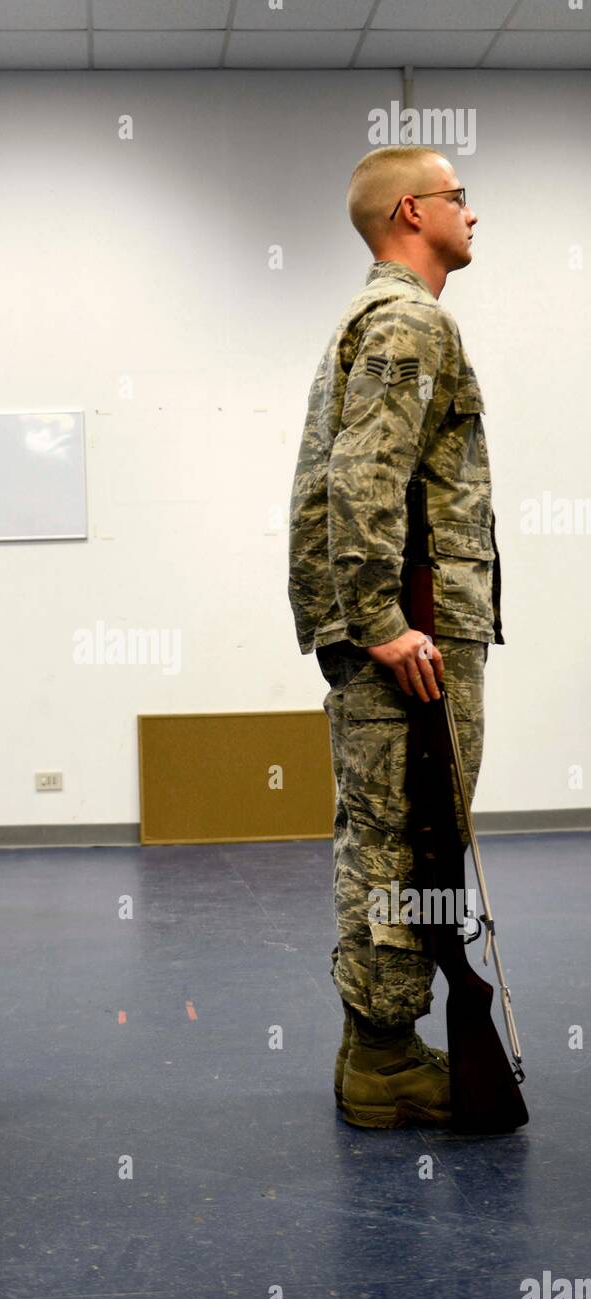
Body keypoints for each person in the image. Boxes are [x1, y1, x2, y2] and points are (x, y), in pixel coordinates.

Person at [288, 145, 503, 1129]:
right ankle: (383, 1058)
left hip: (406, 623)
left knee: (398, 834)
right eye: (459, 197)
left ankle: (380, 1044)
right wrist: (381, 621)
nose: (473, 211)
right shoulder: (407, 320)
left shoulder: (385, 317)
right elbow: (363, 476)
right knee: (394, 842)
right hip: (407, 633)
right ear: (410, 211)